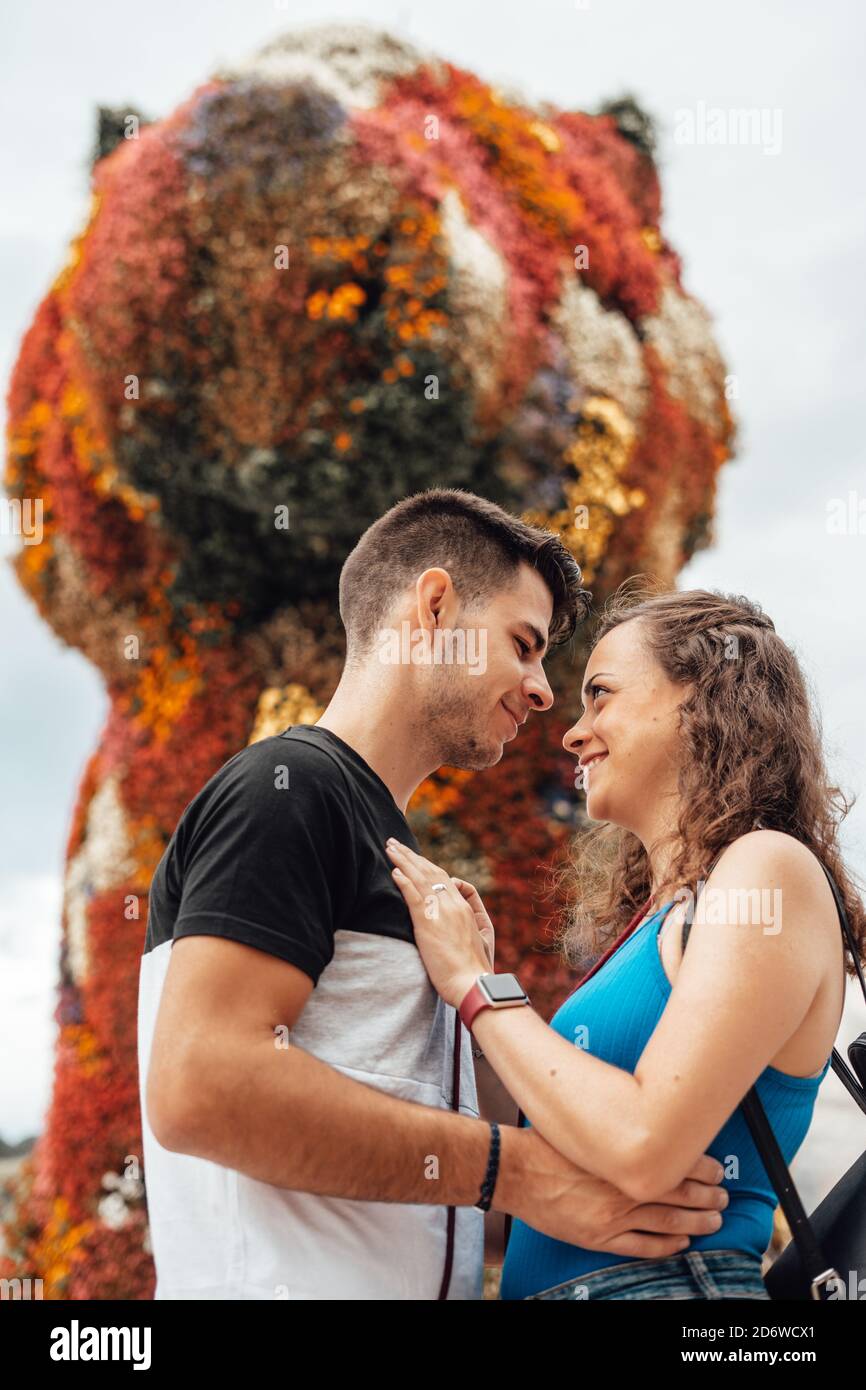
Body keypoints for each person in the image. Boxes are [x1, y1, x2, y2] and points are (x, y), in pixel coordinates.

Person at [138, 490, 731, 1300]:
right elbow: (200, 1086)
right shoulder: (287, 792)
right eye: (523, 646)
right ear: (435, 604)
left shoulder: (395, 858)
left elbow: (432, 1200)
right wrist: (514, 1169)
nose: (542, 690)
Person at [385, 582, 866, 1299]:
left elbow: (644, 1147)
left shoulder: (769, 869)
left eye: (600, 695)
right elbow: (537, 1180)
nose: (574, 732)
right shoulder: (663, 918)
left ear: (702, 697)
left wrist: (476, 988)